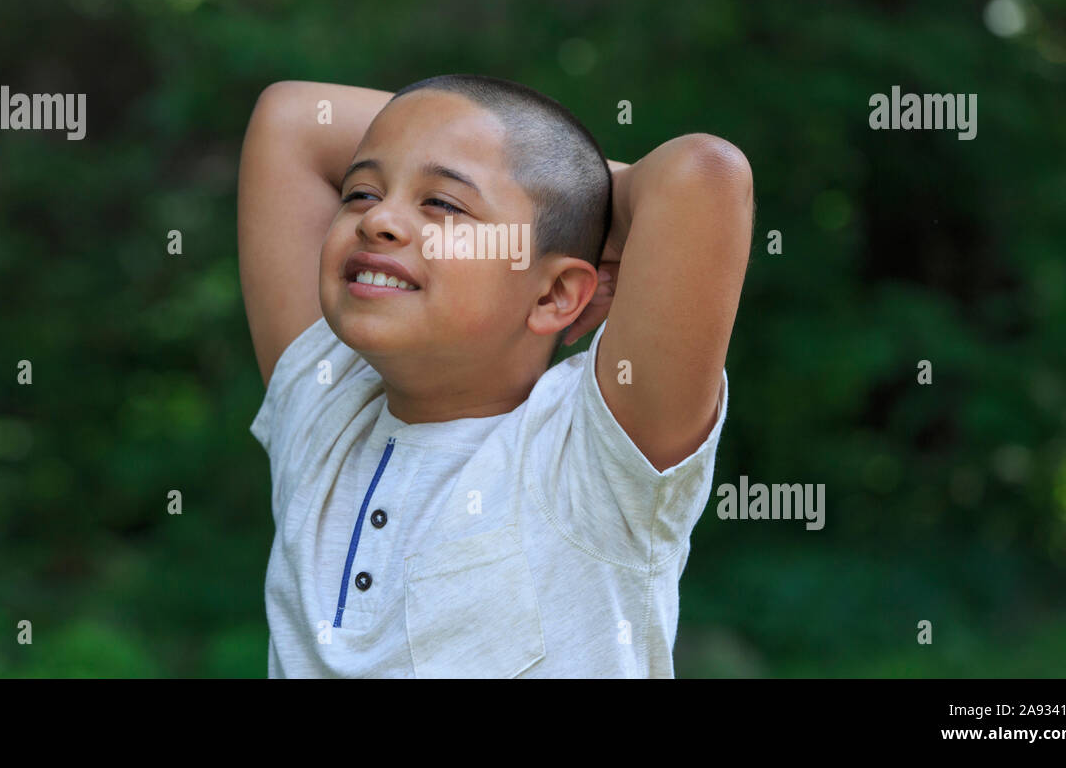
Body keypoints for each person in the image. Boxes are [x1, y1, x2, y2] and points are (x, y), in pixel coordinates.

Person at [238, 74, 753, 677]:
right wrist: (563, 203)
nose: (379, 220)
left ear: (557, 294)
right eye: (360, 193)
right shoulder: (323, 405)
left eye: (444, 205)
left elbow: (704, 175)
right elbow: (291, 117)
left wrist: (567, 200)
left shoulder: (592, 459)